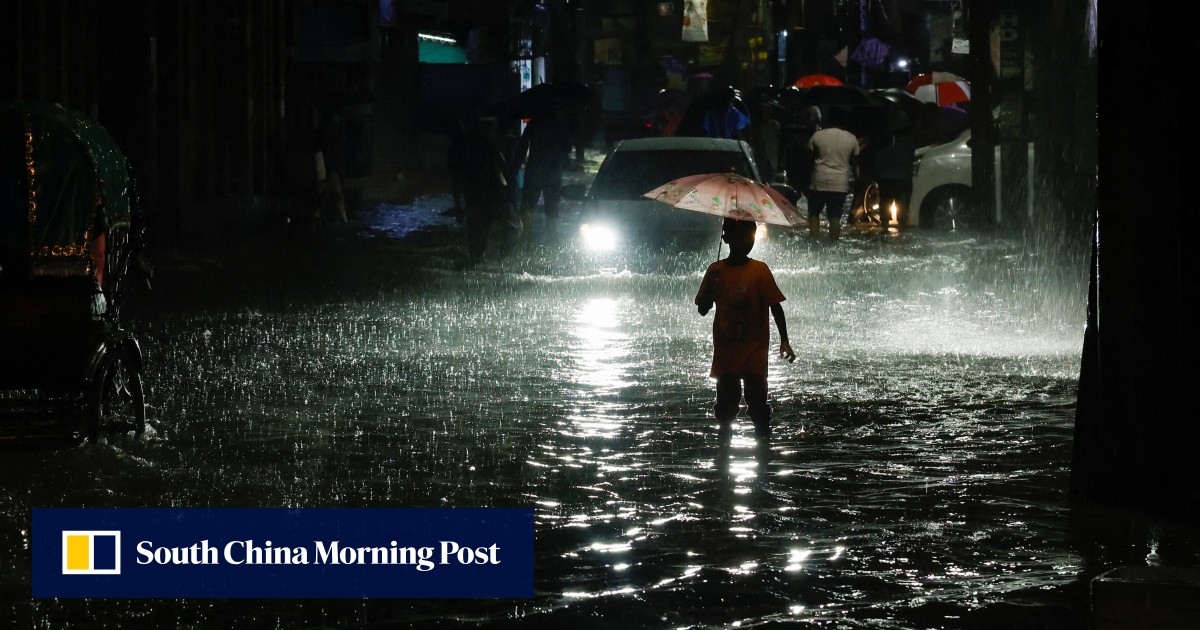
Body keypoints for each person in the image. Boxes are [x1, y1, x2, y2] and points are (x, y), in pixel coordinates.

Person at [694, 218, 796, 437]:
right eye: (741, 237)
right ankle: (726, 449)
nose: (746, 242)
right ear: (726, 238)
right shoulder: (716, 271)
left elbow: (775, 307)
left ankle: (761, 448)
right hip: (727, 353)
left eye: (750, 237)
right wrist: (709, 294)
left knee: (758, 405)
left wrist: (784, 340)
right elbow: (703, 309)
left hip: (755, 352)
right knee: (725, 408)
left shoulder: (760, 270)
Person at [446, 116, 521, 263]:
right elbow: (501, 168)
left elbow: (456, 180)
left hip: (474, 198)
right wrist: (510, 195)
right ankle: (503, 260)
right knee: (513, 229)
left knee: (477, 242)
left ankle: (477, 267)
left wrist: (458, 206)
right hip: (495, 194)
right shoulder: (482, 142)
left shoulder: (454, 150)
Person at [514, 100, 574, 244]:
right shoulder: (559, 124)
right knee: (552, 208)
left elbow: (523, 144)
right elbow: (568, 146)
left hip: (535, 169)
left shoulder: (535, 122)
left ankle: (525, 240)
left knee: (527, 206)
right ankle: (551, 240)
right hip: (553, 171)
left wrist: (516, 165)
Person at [806, 107, 861, 240]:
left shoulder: (818, 135)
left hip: (819, 180)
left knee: (813, 213)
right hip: (840, 183)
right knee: (835, 217)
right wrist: (858, 180)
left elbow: (809, 158)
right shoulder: (851, 138)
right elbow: (855, 163)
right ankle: (833, 245)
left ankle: (814, 241)